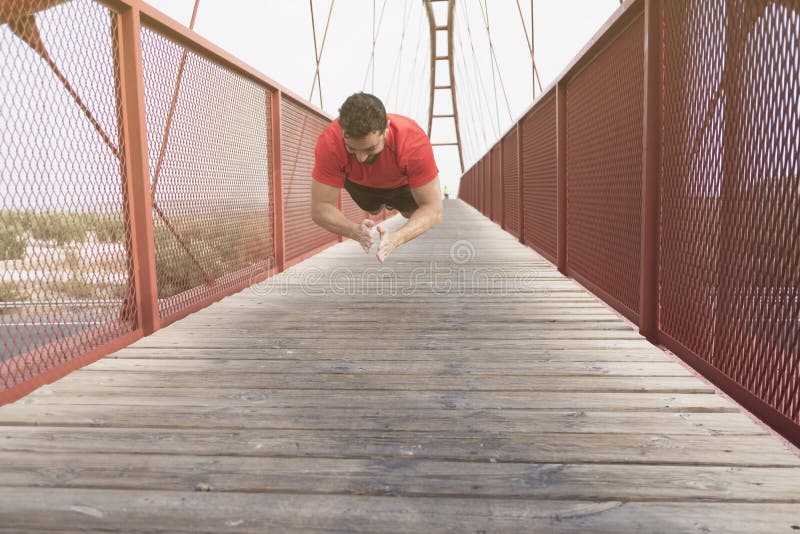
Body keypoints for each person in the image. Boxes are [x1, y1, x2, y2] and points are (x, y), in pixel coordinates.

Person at [311, 92, 443, 263]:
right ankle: (378, 205)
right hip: (360, 185)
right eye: (351, 149)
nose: (361, 158)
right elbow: (320, 208)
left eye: (370, 149)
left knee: (410, 213)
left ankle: (395, 205)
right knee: (373, 210)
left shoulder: (413, 142)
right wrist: (353, 231)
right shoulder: (330, 142)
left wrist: (397, 237)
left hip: (401, 184)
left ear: (386, 128)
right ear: (342, 131)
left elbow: (433, 209)